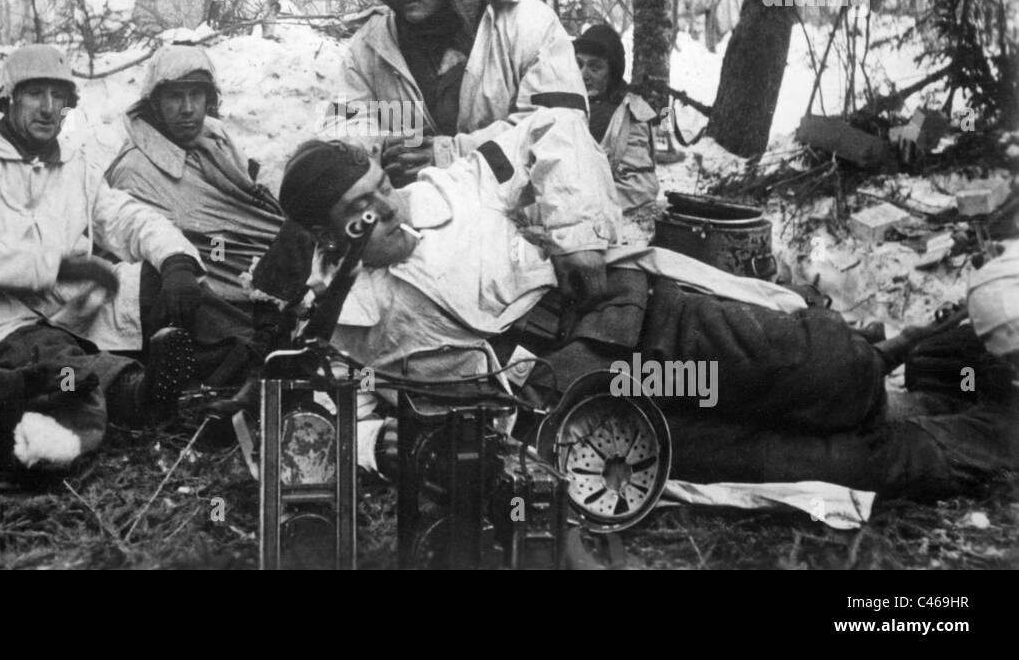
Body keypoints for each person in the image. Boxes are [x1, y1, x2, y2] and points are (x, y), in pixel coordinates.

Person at [276, 111, 1018, 500]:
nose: (389, 211)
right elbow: (305, 424)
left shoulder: (451, 186)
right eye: (361, 211)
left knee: (830, 372)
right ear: (325, 233)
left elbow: (556, 128)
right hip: (576, 408)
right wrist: (376, 448)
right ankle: (982, 432)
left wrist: (575, 236)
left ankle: (933, 355)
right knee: (801, 459)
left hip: (632, 320)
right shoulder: (342, 317)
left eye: (381, 187)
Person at [0, 44, 251, 471]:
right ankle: (142, 395)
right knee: (55, 364)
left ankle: (243, 366)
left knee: (164, 286)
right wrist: (60, 267)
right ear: (9, 99)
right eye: (36, 94)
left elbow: (125, 216)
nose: (49, 109)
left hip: (69, 307)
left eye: (59, 98)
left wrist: (175, 259)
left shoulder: (73, 163)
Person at [334, 0, 601, 190]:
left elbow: (560, 130)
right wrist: (381, 149)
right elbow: (341, 124)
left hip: (515, 217)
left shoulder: (528, 24)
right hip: (414, 216)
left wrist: (449, 154)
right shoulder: (371, 45)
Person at [105, 45, 284, 305]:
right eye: (175, 97)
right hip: (210, 283)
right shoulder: (134, 169)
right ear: (155, 103)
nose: (188, 108)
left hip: (248, 253)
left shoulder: (214, 135)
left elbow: (246, 192)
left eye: (196, 95)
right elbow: (142, 243)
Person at [573, 24, 660, 218]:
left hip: (607, 222)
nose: (583, 74)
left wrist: (580, 207)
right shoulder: (567, 103)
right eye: (578, 64)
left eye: (595, 67)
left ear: (613, 72)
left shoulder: (627, 116)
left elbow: (640, 188)